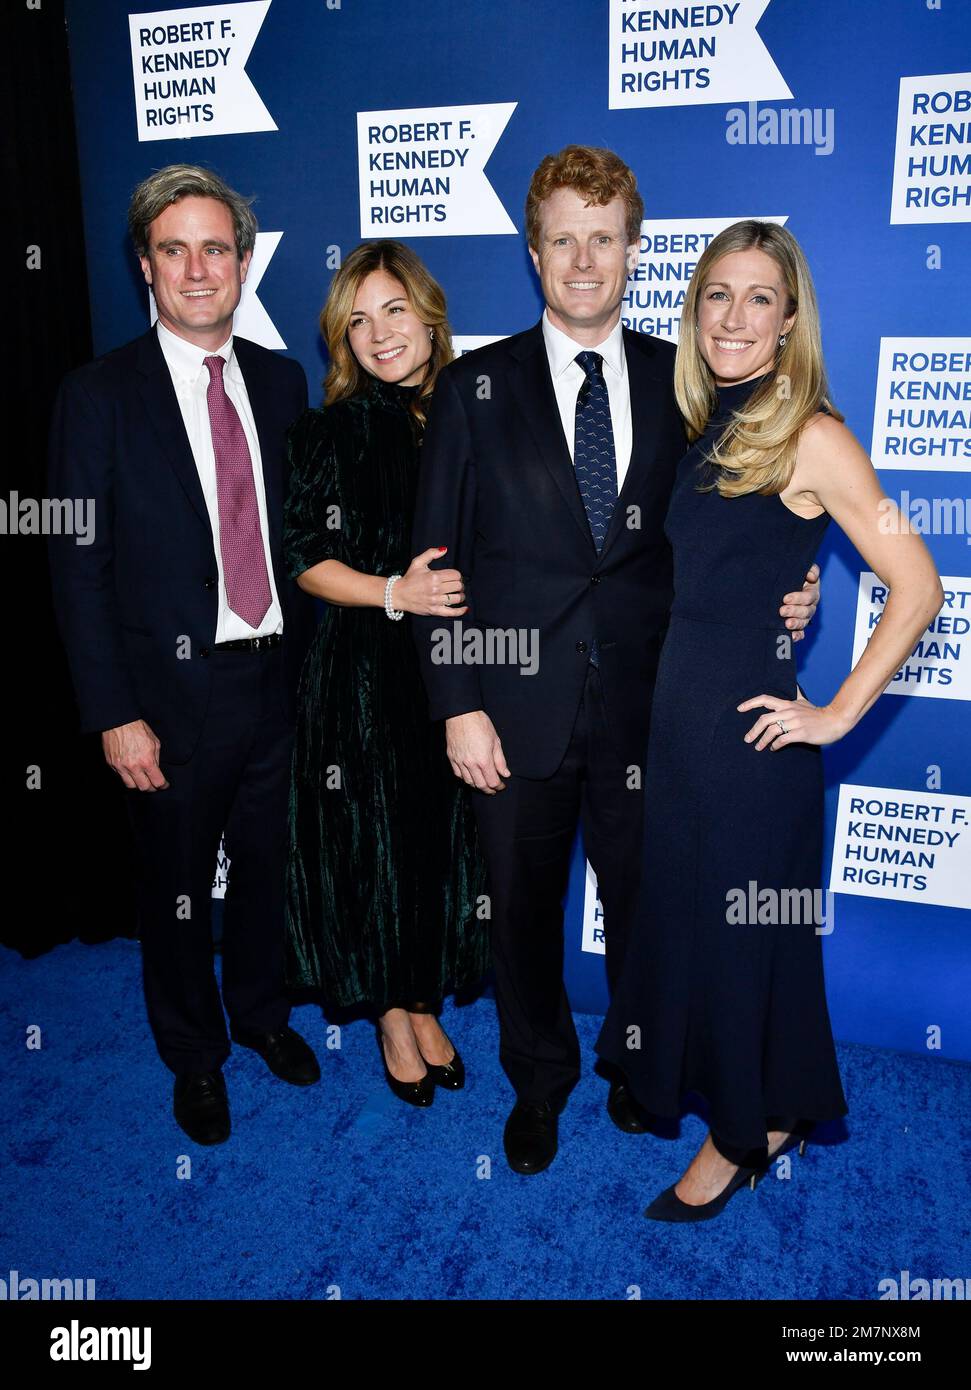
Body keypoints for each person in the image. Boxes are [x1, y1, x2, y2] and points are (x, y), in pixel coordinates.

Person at [410, 147, 822, 1173]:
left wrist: (793, 594)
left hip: (659, 709)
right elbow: (432, 564)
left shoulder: (684, 383)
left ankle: (639, 1068)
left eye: (603, 238)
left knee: (652, 907)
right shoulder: (472, 387)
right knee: (518, 909)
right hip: (510, 710)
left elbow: (743, 524)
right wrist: (456, 704)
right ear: (533, 251)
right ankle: (538, 1081)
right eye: (562, 239)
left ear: (634, 251)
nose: (583, 259)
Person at [596, 220, 943, 1221]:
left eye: (758, 298)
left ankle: (737, 1135)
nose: (734, 316)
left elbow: (915, 584)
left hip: (751, 745)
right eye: (716, 295)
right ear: (694, 308)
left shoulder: (814, 433)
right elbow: (724, 563)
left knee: (745, 938)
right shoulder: (704, 421)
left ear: (790, 320)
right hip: (678, 730)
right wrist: (801, 594)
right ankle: (775, 1105)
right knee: (712, 930)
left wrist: (834, 712)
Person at [48, 164, 320, 1147]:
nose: (198, 268)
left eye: (215, 248)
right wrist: (113, 713)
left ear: (242, 264)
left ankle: (258, 1016)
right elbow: (77, 570)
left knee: (262, 873)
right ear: (146, 266)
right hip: (161, 700)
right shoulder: (95, 396)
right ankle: (192, 1055)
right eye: (176, 249)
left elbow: (303, 542)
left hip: (274, 681)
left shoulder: (284, 381)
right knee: (172, 887)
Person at [283, 241, 488, 1106]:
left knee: (440, 849)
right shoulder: (329, 431)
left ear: (428, 312)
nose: (378, 334)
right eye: (357, 321)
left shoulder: (477, 408)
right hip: (365, 675)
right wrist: (393, 591)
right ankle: (389, 1021)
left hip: (458, 667)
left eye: (393, 310)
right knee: (378, 850)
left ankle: (421, 999)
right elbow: (303, 560)